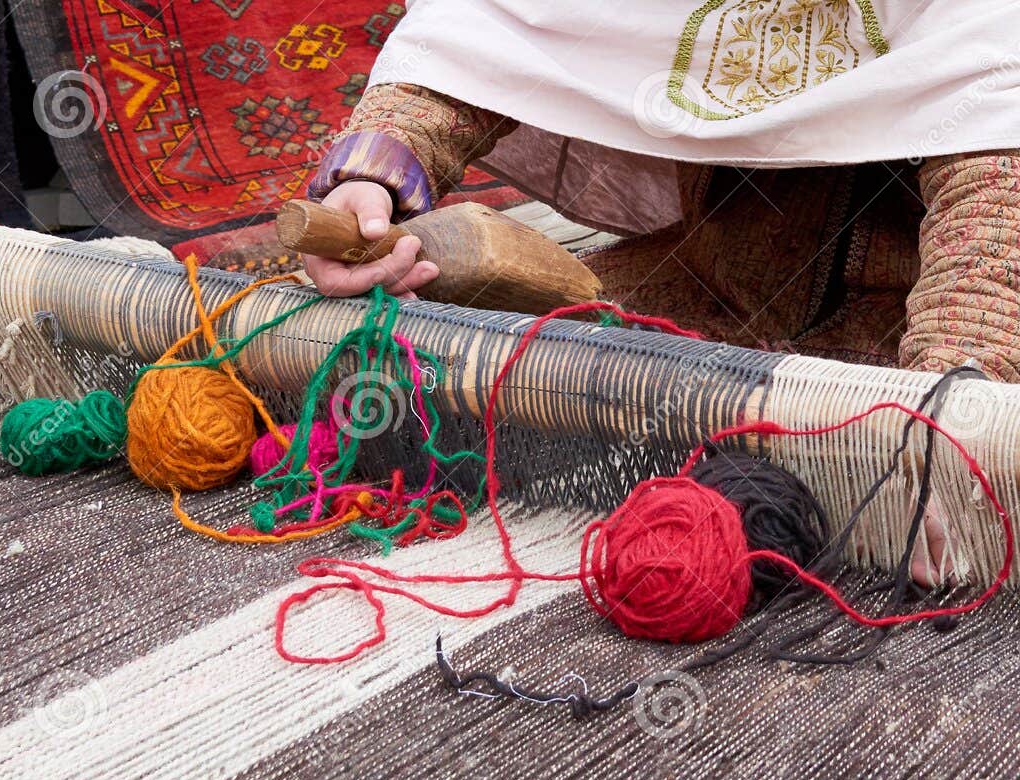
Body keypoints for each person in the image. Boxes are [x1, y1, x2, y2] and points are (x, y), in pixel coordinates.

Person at [304, 0, 1020, 582]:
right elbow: (499, 23)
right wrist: (371, 179)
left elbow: (995, 146)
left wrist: (952, 411)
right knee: (386, 346)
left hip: (928, 309)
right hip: (715, 283)